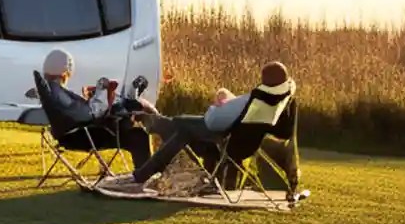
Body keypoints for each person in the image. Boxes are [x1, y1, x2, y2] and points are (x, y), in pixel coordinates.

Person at [124, 61, 298, 189]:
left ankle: (152, 125)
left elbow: (213, 121)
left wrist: (217, 106)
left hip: (224, 138)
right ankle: (147, 165)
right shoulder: (277, 100)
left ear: (264, 80)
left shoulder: (255, 99)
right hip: (242, 142)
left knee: (179, 124)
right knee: (182, 128)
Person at [33, 49, 155, 169]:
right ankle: (145, 175)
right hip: (86, 137)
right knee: (138, 135)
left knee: (125, 112)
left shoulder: (52, 92)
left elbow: (77, 111)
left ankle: (132, 101)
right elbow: (87, 114)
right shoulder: (57, 93)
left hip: (79, 134)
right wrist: (100, 93)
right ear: (65, 74)